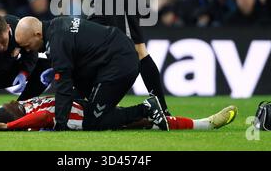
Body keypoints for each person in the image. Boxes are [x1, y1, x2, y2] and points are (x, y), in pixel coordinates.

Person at [14, 16, 169, 131]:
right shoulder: (57, 25)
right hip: (113, 57)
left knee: (93, 121)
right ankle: (116, 113)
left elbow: (64, 85)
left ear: (37, 35)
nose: (28, 50)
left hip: (118, 64)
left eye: (27, 46)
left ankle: (146, 108)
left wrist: (59, 125)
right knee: (81, 103)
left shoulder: (56, 42)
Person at [0, 95, 237, 132]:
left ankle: (205, 124)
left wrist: (9, 126)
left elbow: (44, 118)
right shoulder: (30, 104)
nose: (15, 103)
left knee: (144, 120)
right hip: (91, 114)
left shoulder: (33, 108)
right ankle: (205, 123)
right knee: (146, 125)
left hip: (93, 116)